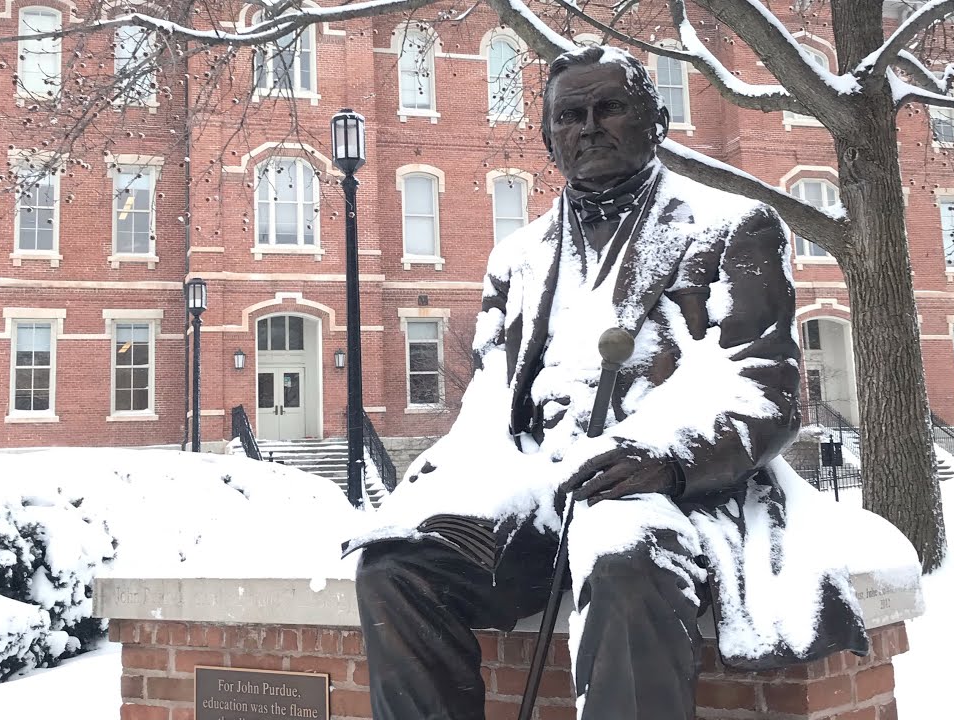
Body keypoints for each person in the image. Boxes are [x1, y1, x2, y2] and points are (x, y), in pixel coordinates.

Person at [344, 46, 868, 720]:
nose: (588, 126)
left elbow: (765, 389)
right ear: (549, 139)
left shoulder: (732, 227)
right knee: (396, 573)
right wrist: (442, 495)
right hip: (536, 487)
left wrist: (668, 459)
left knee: (623, 555)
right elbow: (487, 402)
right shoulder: (516, 258)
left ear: (656, 121)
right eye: (570, 116)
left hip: (664, 490)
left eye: (609, 107)